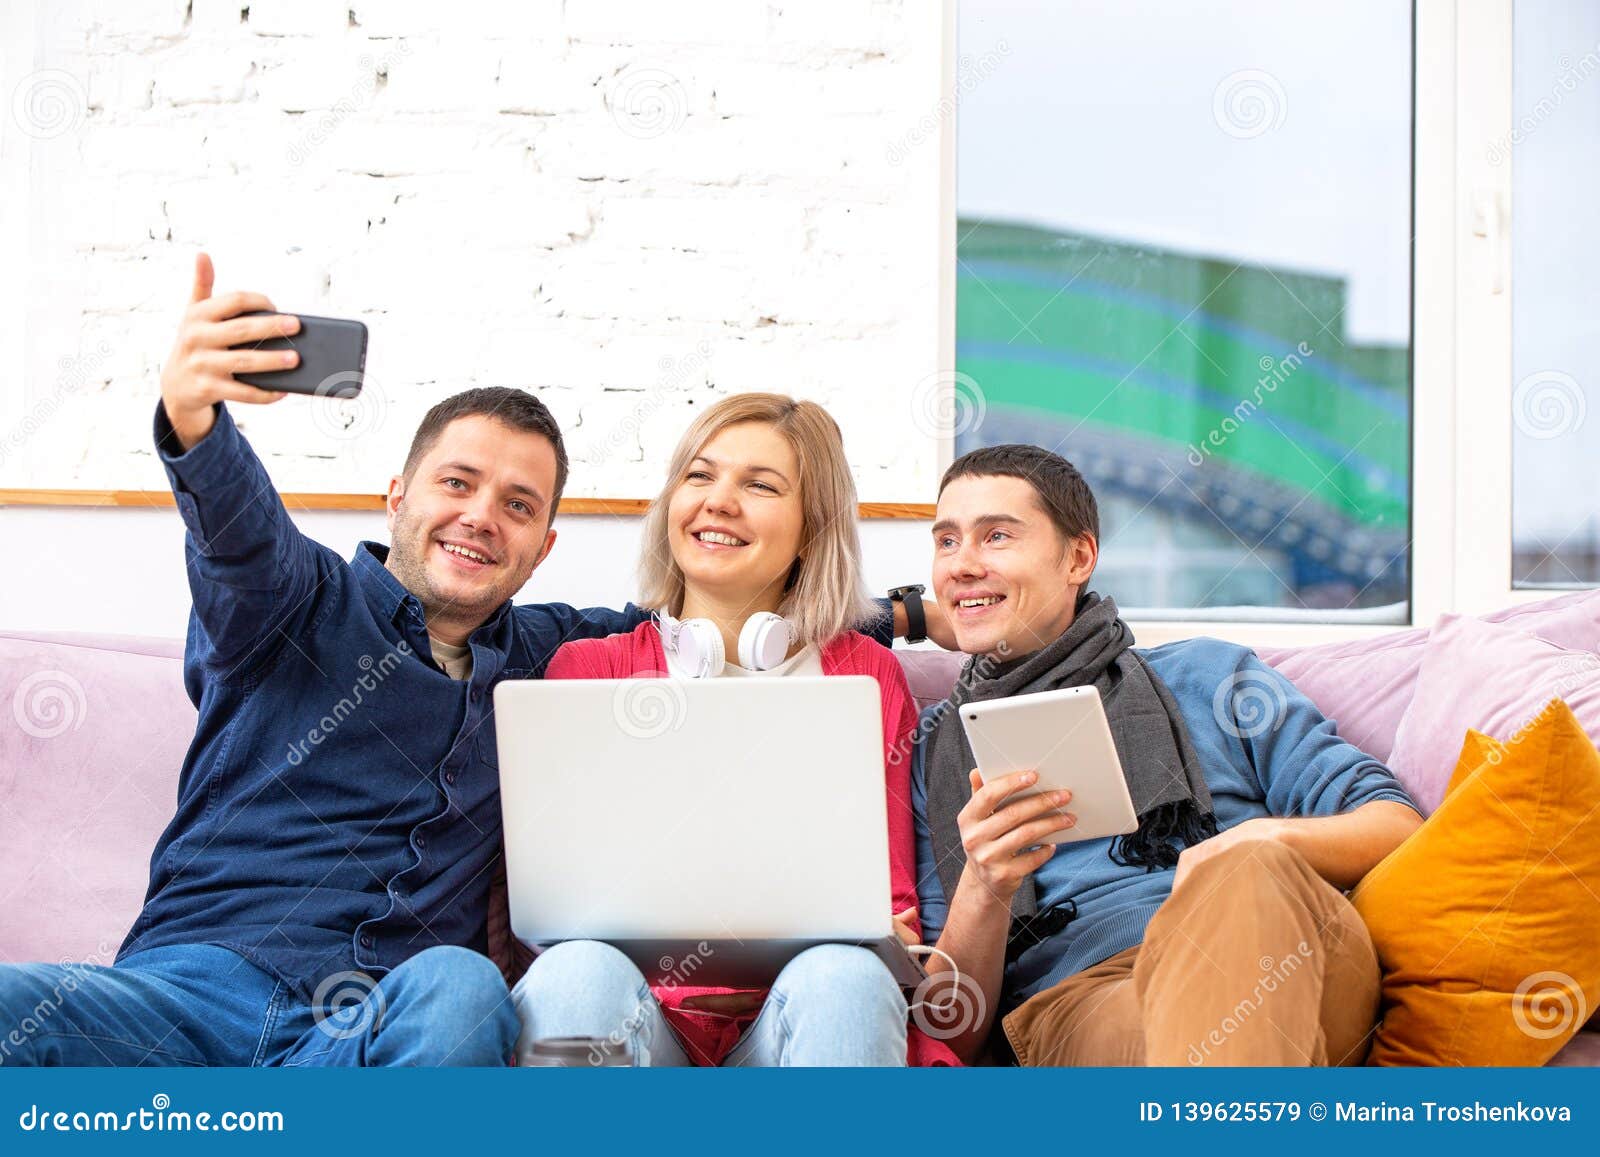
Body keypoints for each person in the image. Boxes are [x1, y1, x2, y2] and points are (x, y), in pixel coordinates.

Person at [0, 256, 925, 1067]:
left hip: (384, 1028)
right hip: (193, 995)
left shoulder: (548, 652)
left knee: (461, 984)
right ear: (396, 494)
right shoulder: (295, 601)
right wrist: (194, 426)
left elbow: (713, 609)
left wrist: (914, 612)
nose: (483, 515)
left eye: (519, 505)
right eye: (457, 483)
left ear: (545, 545)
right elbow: (240, 538)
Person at [909, 443, 1423, 1066]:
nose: (961, 564)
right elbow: (951, 1029)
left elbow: (1397, 826)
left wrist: (1255, 846)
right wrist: (985, 887)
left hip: (1293, 954)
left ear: (1079, 557)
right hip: (1093, 998)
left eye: (995, 536)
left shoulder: (1211, 676)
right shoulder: (933, 749)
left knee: (1244, 880)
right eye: (946, 542)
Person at [507, 393, 959, 1067]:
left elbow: (893, 905)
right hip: (639, 1024)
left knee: (848, 978)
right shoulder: (588, 669)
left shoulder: (865, 674)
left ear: (811, 529)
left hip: (792, 1020)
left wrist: (881, 932)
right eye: (700, 475)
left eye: (760, 484)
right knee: (574, 975)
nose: (719, 500)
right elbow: (554, 921)